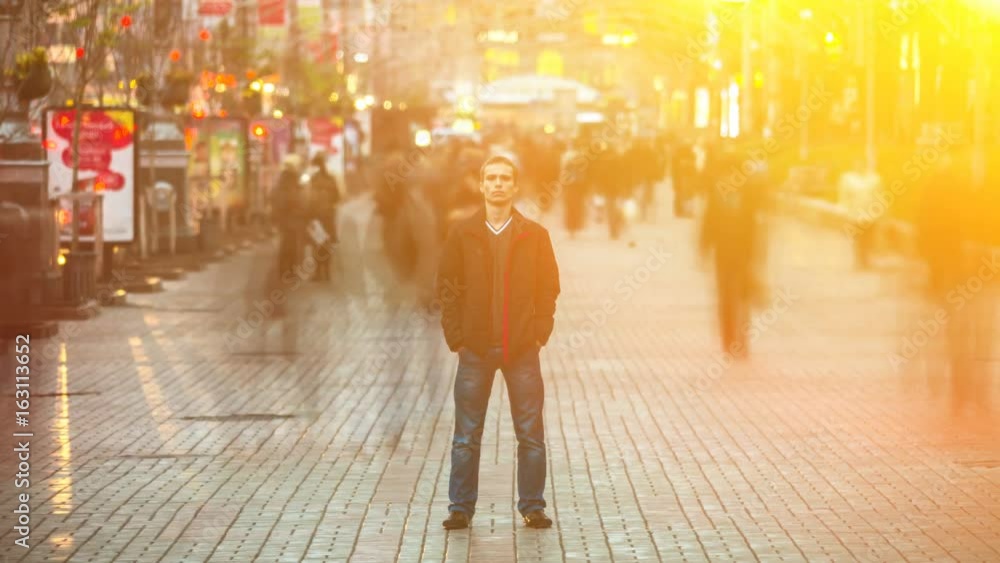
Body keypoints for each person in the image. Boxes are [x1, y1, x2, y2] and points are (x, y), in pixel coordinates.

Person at [436, 155, 561, 530]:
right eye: (491, 178)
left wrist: (539, 331)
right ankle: (460, 507)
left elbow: (548, 287)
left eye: (505, 178)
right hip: (474, 348)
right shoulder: (462, 233)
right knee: (466, 434)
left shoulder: (534, 235)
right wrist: (456, 336)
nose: (498, 184)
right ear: (481, 185)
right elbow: (447, 287)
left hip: (521, 348)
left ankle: (532, 506)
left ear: (515, 186)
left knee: (530, 433)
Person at [698, 146, 769, 358]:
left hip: (743, 251)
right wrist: (704, 247)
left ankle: (742, 340)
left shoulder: (750, 193)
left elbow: (755, 223)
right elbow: (709, 221)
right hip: (724, 252)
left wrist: (758, 251)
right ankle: (729, 340)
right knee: (726, 297)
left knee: (743, 298)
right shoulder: (717, 192)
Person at [838, 158, 882, 269]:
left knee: (869, 238)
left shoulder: (874, 178)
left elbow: (879, 195)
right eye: (857, 164)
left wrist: (880, 211)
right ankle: (858, 261)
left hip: (871, 213)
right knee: (857, 238)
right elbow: (844, 197)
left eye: (862, 164)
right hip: (854, 214)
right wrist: (844, 212)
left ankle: (866, 260)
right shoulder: (847, 179)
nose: (859, 166)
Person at [307, 152, 341, 283]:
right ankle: (327, 273)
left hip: (317, 217)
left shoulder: (314, 180)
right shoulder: (331, 179)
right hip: (329, 216)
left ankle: (318, 273)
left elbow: (309, 199)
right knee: (327, 244)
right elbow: (337, 197)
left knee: (317, 244)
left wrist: (309, 214)